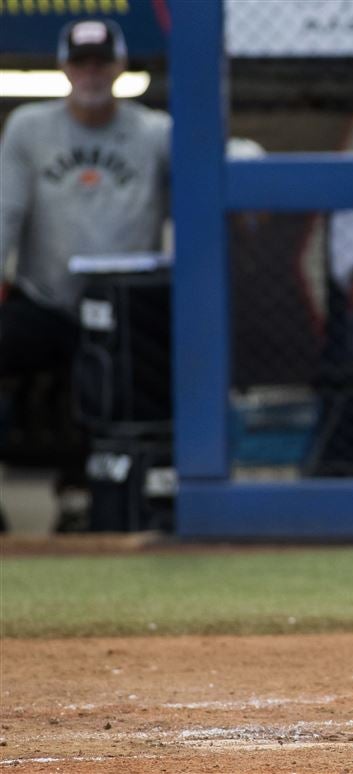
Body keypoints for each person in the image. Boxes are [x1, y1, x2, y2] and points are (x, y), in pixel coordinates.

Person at [0, 18, 171, 527]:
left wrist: (250, 165)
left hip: (124, 313)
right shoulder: (29, 128)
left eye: (101, 63)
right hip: (46, 300)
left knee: (125, 377)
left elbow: (213, 161)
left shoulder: (154, 132)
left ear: (120, 67)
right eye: (81, 63)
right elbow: (5, 210)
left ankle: (96, 499)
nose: (91, 73)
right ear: (64, 67)